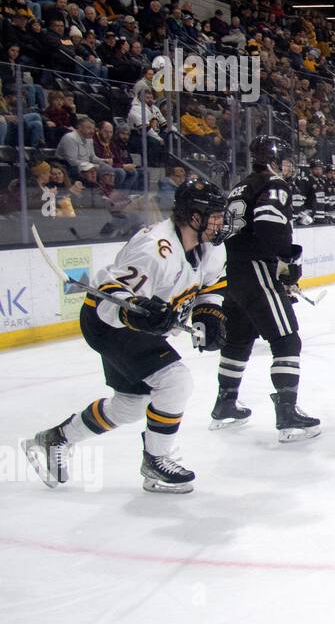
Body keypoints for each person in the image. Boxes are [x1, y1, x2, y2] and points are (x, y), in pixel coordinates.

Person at [22, 180, 229, 493]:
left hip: (132, 327)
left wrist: (208, 315)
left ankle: (56, 438)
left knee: (131, 405)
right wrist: (135, 311)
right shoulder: (156, 249)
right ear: (194, 217)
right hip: (108, 323)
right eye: (214, 215)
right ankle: (156, 461)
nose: (221, 222)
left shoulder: (210, 246)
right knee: (175, 381)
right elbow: (109, 300)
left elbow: (212, 285)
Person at [211, 135, 320, 441]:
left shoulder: (241, 185)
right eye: (285, 160)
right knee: (287, 340)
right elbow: (270, 223)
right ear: (273, 159)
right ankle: (287, 415)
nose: (288, 166)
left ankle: (225, 403)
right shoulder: (274, 184)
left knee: (239, 340)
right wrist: (286, 262)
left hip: (234, 273)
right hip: (259, 270)